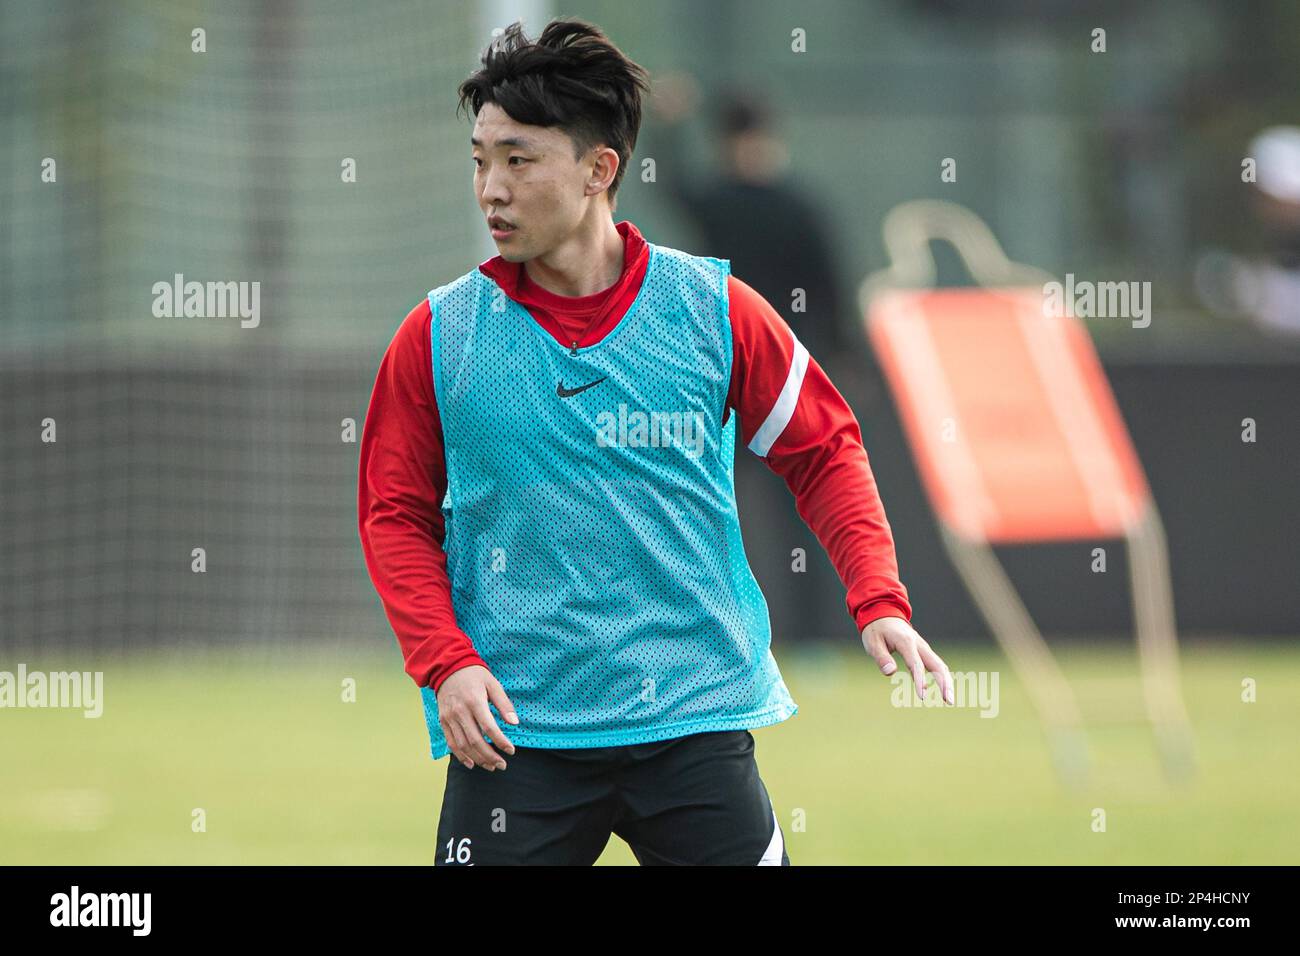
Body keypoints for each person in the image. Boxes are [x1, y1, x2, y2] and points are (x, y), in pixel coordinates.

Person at [357, 18, 953, 867]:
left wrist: (877, 597)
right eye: (480, 160)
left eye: (519, 160)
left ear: (600, 170)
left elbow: (824, 450)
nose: (490, 188)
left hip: (694, 725)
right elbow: (392, 513)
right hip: (514, 731)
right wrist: (444, 661)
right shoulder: (439, 337)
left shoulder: (714, 312)